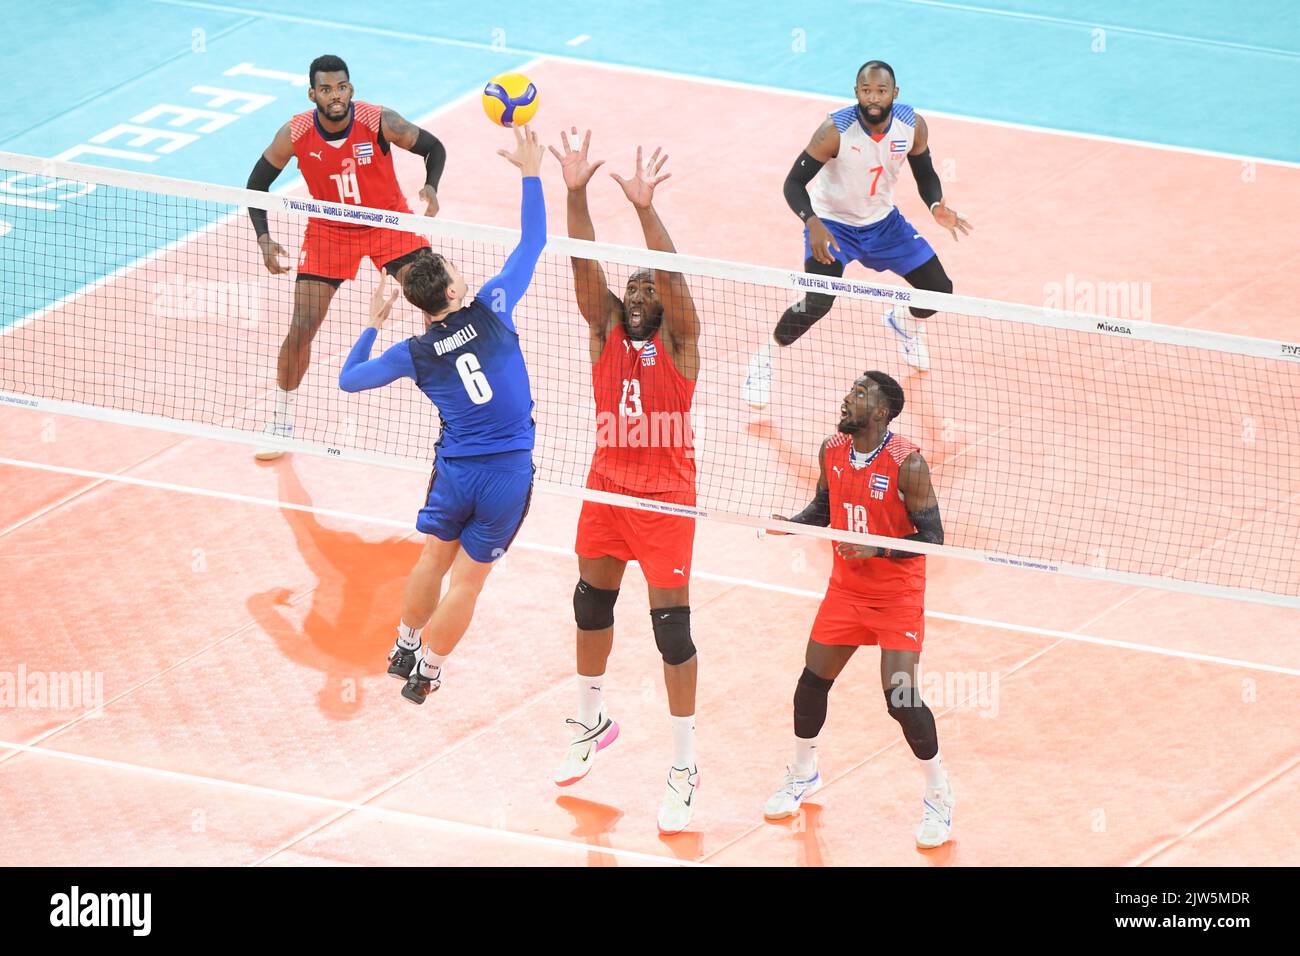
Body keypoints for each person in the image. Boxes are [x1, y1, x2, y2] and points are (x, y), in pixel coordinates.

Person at [335, 127, 546, 704]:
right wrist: (530, 171)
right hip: (505, 475)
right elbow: (534, 241)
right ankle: (427, 671)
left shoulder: (414, 352)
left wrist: (374, 320)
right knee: (470, 581)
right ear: (453, 286)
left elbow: (349, 380)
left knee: (434, 557)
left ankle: (405, 645)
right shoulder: (494, 308)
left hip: (455, 471)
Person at [549, 129, 703, 834]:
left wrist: (644, 211)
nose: (639, 293)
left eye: (648, 288)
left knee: (671, 631)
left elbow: (672, 277)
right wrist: (576, 193)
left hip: (666, 498)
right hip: (607, 488)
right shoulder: (604, 327)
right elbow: (584, 263)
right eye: (631, 286)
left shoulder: (681, 342)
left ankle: (682, 765)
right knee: (590, 607)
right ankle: (590, 720)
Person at [763, 370, 954, 848]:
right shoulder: (831, 448)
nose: (847, 398)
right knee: (811, 683)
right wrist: (793, 524)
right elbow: (824, 507)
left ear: (883, 411)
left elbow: (933, 539)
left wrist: (878, 550)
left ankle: (938, 794)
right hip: (846, 591)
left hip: (896, 594)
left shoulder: (906, 462)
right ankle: (803, 772)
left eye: (860, 394)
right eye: (850, 390)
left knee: (901, 698)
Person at [247, 53, 447, 459]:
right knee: (302, 326)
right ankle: (280, 420)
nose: (334, 96)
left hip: (387, 222)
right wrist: (264, 238)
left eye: (340, 87)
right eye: (325, 89)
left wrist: (431, 186)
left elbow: (433, 148)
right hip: (329, 228)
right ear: (313, 93)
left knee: (439, 303)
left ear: (350, 89)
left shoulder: (379, 121)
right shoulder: (296, 133)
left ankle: (455, 410)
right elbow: (256, 183)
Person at [743, 60, 973, 408]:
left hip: (884, 226)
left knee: (939, 291)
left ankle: (905, 323)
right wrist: (812, 221)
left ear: (895, 93)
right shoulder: (834, 130)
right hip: (833, 227)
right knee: (817, 301)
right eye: (866, 91)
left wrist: (936, 205)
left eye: (881, 90)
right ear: (856, 93)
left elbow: (925, 174)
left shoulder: (912, 126)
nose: (874, 98)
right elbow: (793, 183)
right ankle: (764, 359)